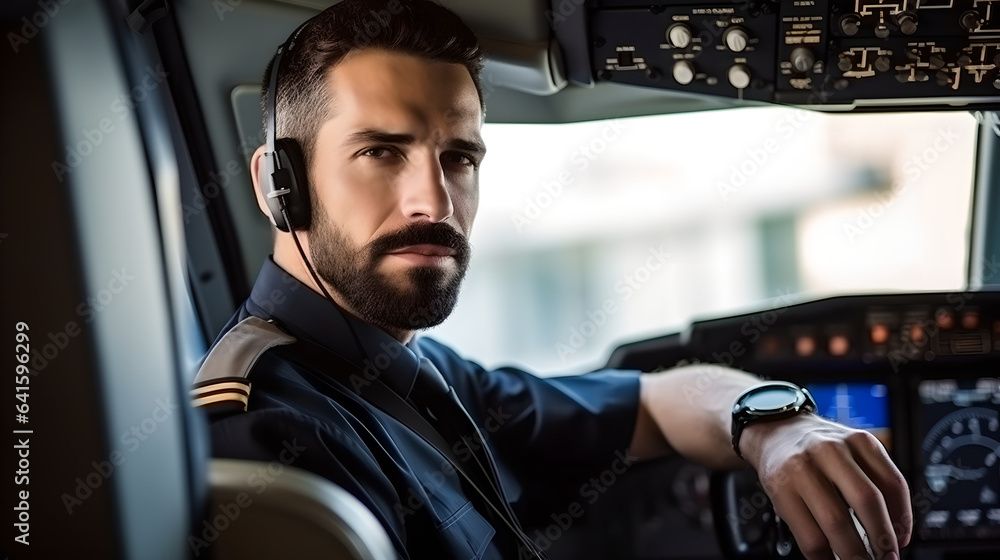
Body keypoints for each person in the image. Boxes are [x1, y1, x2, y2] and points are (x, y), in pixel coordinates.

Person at [193, 1, 912, 558]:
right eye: (382, 151)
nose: (434, 202)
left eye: (459, 158)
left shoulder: (418, 373)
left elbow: (656, 404)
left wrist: (774, 425)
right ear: (279, 186)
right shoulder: (270, 432)